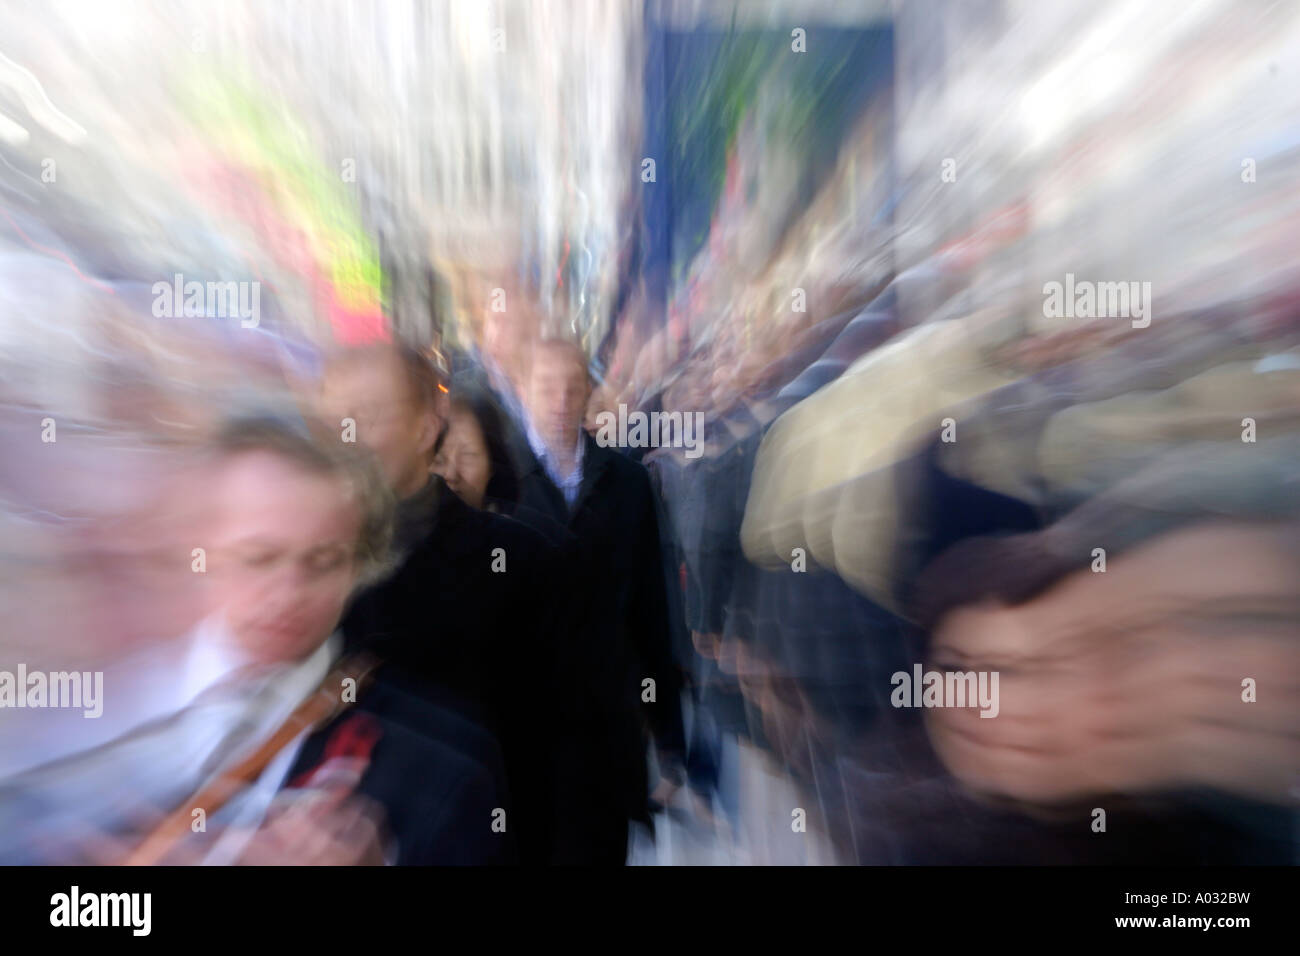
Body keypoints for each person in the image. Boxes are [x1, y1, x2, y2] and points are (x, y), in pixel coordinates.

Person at [0, 414, 510, 865]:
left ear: (360, 564)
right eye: (258, 557)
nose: (288, 594)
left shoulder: (439, 770)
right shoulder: (78, 727)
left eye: (324, 562)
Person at [320, 342, 568, 863]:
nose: (344, 438)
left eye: (366, 417)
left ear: (428, 424)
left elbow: (565, 762)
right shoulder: (297, 571)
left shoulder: (519, 565)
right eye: (330, 421)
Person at [516, 337, 687, 864]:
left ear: (590, 393)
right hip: (529, 727)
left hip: (607, 722)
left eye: (573, 387)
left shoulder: (628, 482)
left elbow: (652, 608)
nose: (562, 401)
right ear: (525, 392)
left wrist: (668, 731)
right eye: (548, 388)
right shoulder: (504, 480)